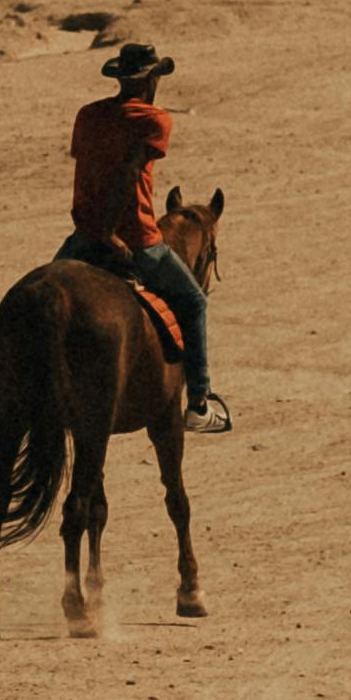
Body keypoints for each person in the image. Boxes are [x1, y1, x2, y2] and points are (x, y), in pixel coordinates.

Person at [64, 38, 227, 427]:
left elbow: (86, 171)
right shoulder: (154, 120)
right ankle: (199, 403)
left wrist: (92, 229)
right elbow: (128, 174)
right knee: (194, 302)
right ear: (151, 80)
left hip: (82, 235)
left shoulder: (87, 115)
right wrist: (112, 235)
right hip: (135, 238)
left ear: (119, 77)